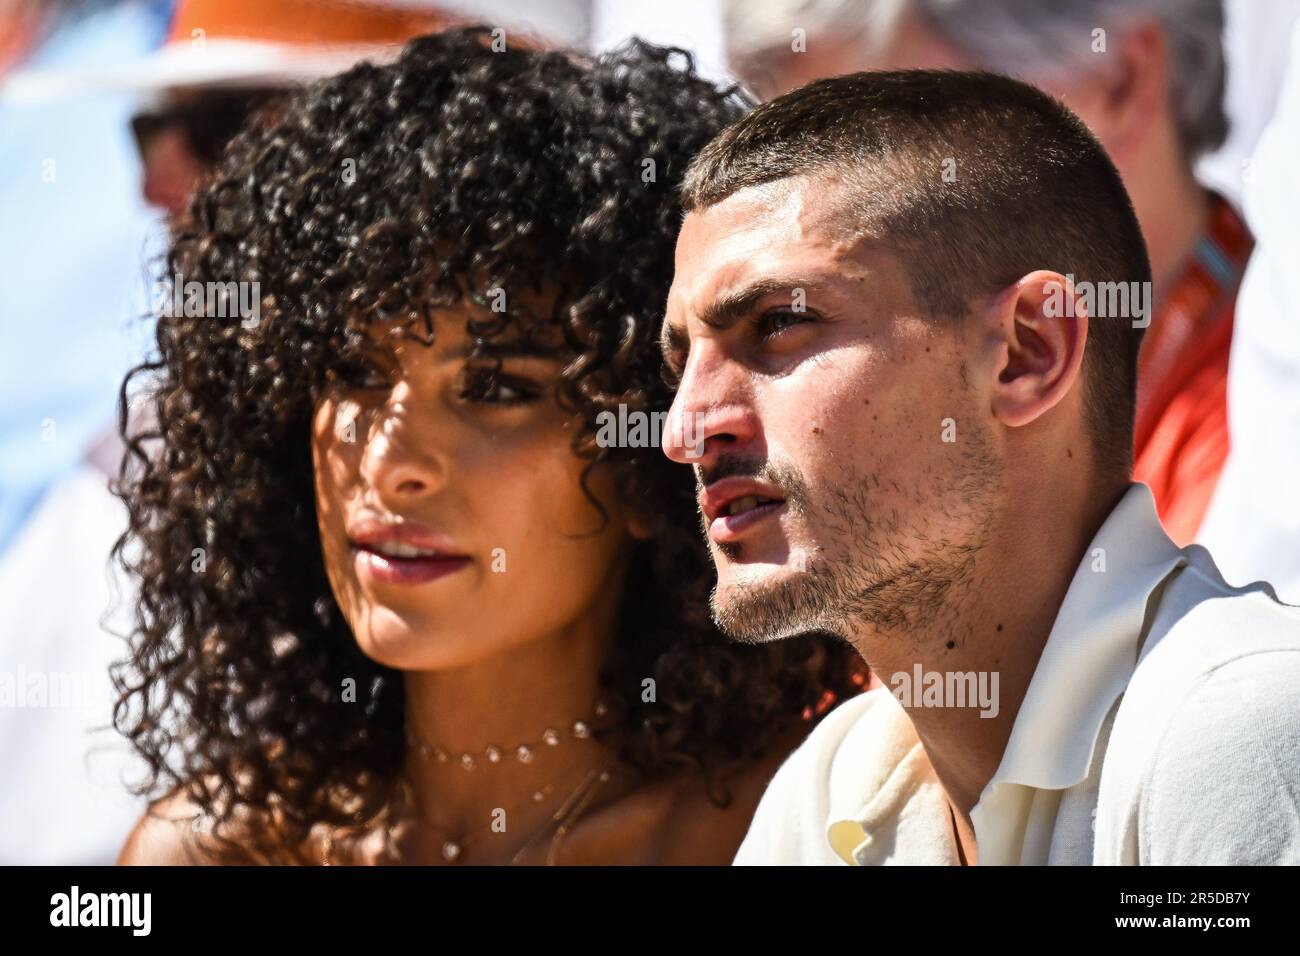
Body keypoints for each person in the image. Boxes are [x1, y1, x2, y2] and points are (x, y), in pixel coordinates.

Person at [114, 27, 863, 866]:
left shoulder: (805, 831)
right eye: (353, 370)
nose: (392, 463)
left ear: (657, 452)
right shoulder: (211, 851)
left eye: (496, 389)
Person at [659, 69, 1300, 865]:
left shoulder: (1238, 725)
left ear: (1029, 352)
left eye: (780, 324)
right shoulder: (836, 786)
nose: (685, 430)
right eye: (681, 360)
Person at [725, 0, 1249, 546]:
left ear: (1116, 81)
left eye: (898, 148)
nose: (819, 233)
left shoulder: (1263, 451)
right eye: (796, 172)